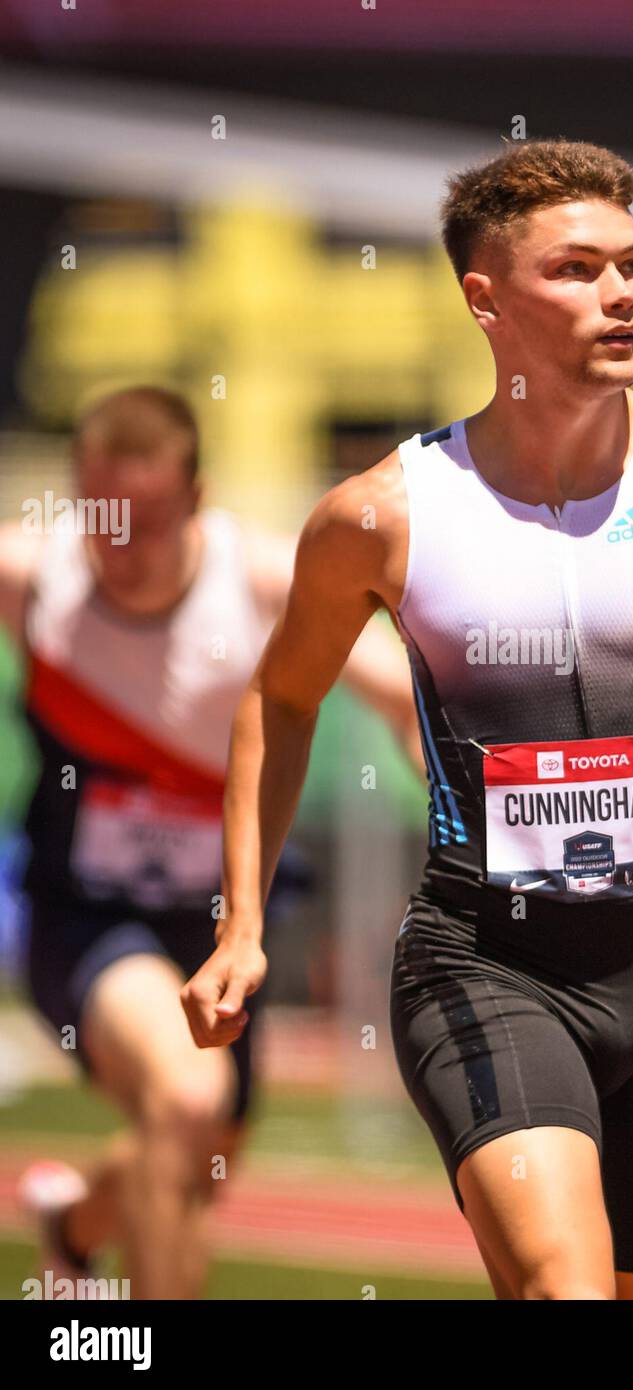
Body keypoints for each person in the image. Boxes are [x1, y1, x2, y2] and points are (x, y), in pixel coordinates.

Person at [182, 138, 633, 1300]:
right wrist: (243, 923)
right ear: (485, 299)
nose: (620, 294)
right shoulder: (382, 515)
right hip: (482, 957)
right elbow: (281, 694)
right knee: (563, 1286)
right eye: (574, 270)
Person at [0, 385, 422, 1299]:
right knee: (187, 1100)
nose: (118, 548)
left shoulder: (263, 580)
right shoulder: (35, 580)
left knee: (209, 1139)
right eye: (101, 517)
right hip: (87, 915)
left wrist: (432, 754)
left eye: (146, 521)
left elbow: (398, 695)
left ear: (196, 499)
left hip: (225, 927)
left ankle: (71, 1230)